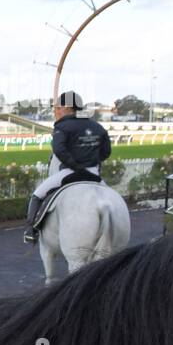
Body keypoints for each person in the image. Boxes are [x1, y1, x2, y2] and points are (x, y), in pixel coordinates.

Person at [24, 90, 112, 243]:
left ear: (68, 107)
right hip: (93, 173)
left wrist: (76, 166)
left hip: (69, 172)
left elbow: (59, 150)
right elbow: (106, 152)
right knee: (112, 198)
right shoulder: (97, 126)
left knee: (37, 195)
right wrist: (91, 162)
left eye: (58, 108)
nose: (56, 111)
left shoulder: (63, 126)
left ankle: (30, 231)